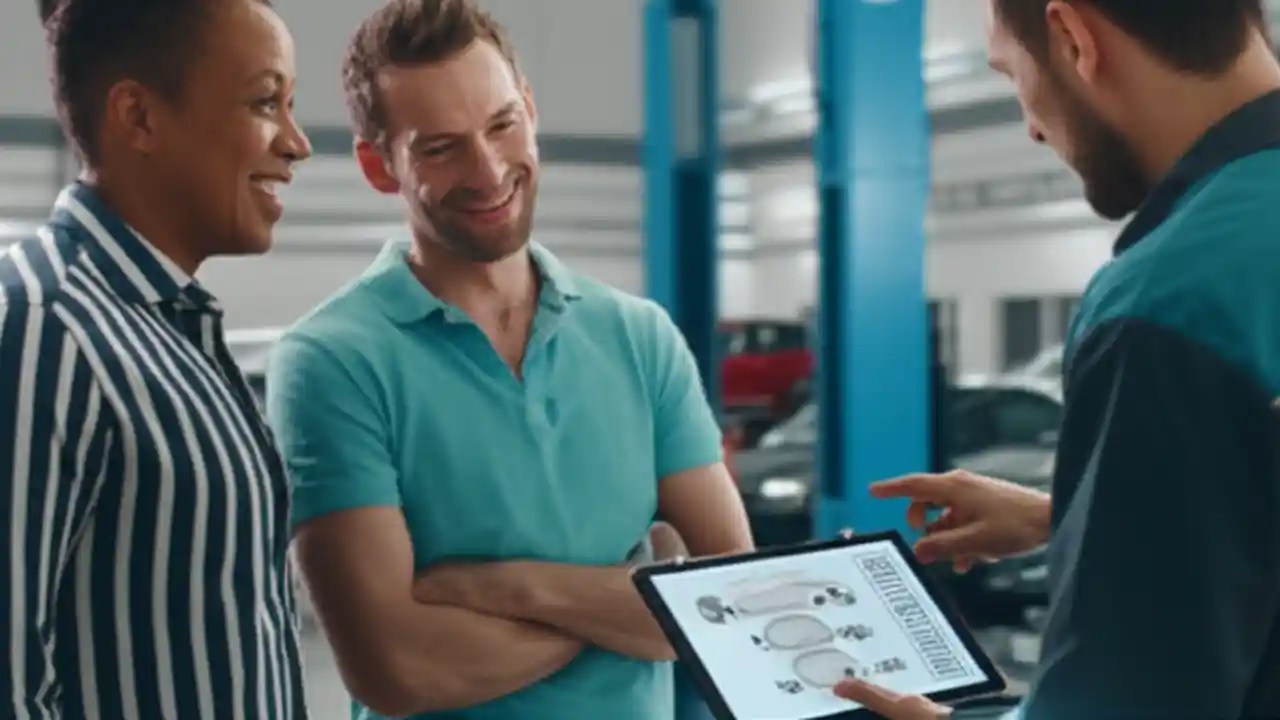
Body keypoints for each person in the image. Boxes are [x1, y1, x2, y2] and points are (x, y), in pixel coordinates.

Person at [263, 0, 755, 718]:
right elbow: (395, 668)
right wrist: (633, 605)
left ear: (529, 108)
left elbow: (730, 603)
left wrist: (511, 588)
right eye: (440, 147)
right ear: (379, 164)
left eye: (502, 125)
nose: (488, 170)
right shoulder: (332, 361)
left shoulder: (640, 338)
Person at [833, 1, 1280, 718]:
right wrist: (1074, 514)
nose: (1033, 127)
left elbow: (1126, 701)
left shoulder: (1172, 296)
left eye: (1014, 75)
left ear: (1074, 38)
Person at [1, 0, 312, 716]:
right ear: (139, 116)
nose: (296, 143)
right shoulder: (48, 329)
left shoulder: (172, 333)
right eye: (266, 102)